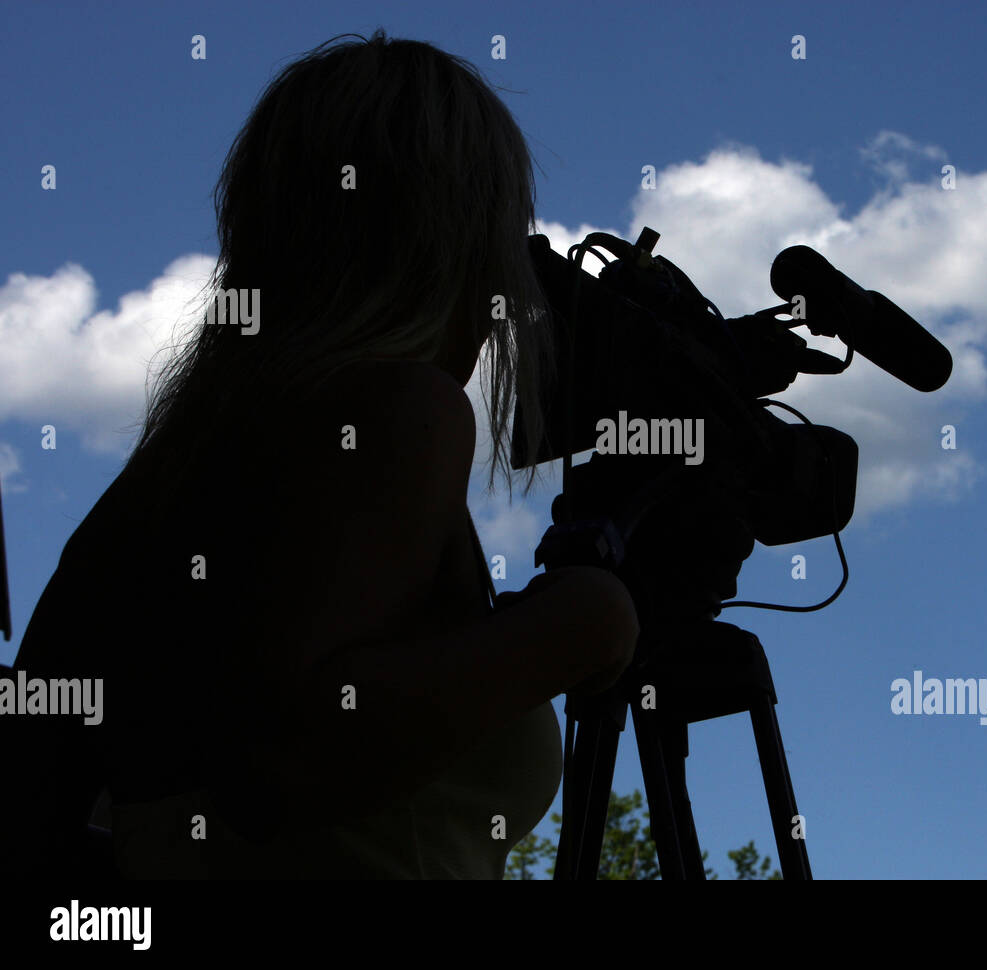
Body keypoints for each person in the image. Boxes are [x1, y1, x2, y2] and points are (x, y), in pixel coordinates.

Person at [3, 31, 638, 878]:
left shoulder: (164, 480)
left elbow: (34, 783)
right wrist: (576, 625)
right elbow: (285, 761)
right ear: (459, 237)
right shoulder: (406, 408)